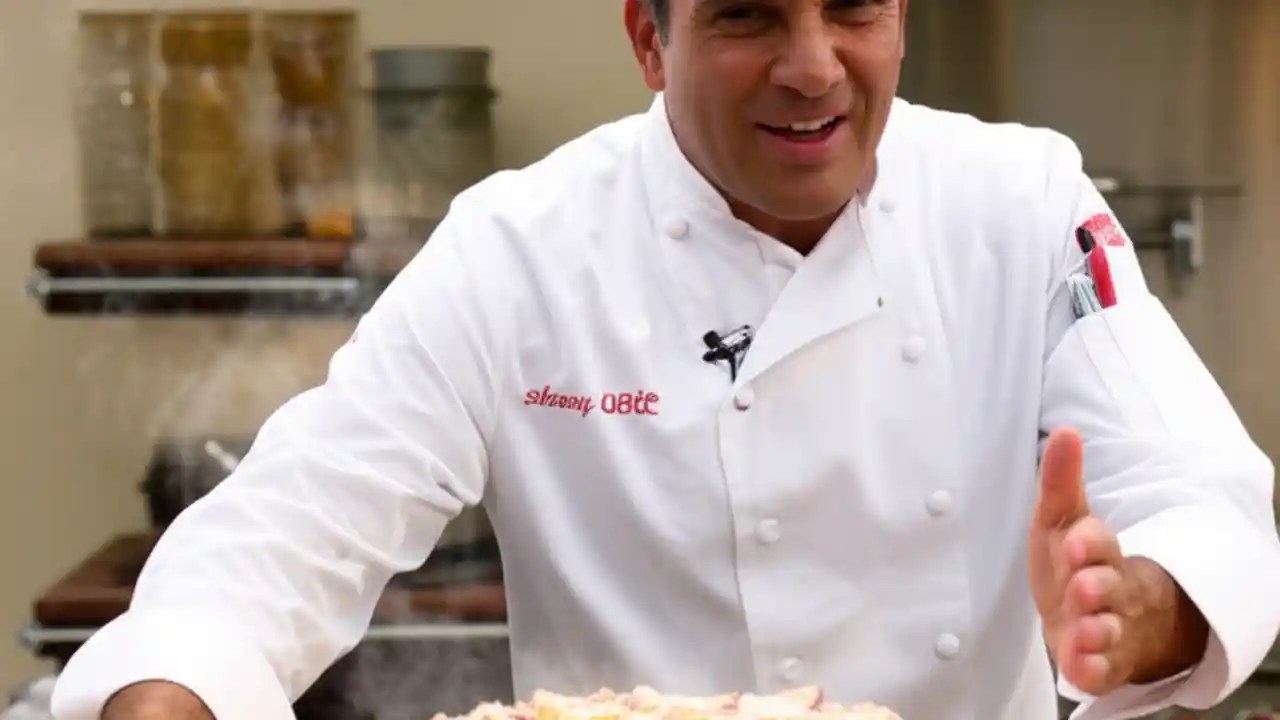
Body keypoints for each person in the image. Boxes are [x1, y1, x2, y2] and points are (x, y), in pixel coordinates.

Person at [52, 1, 1280, 718]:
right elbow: (281, 540)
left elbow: (1200, 493)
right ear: (649, 35)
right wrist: (176, 686)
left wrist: (1145, 608)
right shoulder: (518, 250)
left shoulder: (1021, 203)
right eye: (749, 12)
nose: (812, 64)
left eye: (850, 5)